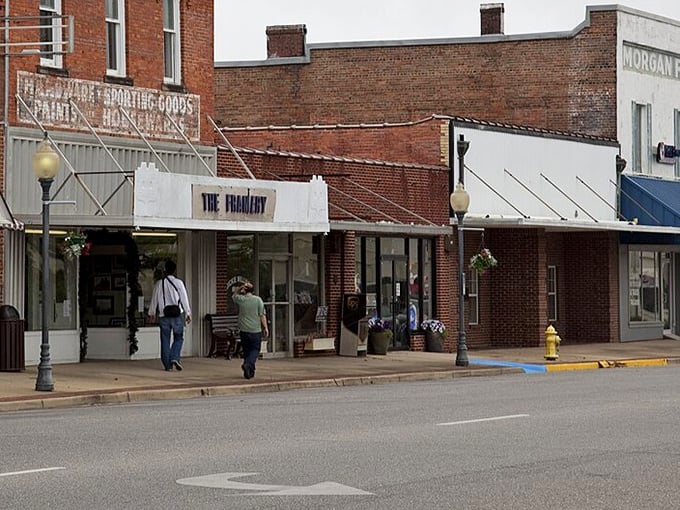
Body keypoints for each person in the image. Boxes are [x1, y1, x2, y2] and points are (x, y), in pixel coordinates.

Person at [148, 260, 191, 371]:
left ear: (165, 270)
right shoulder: (179, 283)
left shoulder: (159, 284)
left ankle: (167, 365)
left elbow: (154, 300)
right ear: (174, 270)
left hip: (164, 315)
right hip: (177, 314)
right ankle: (175, 357)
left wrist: (152, 313)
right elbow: (184, 299)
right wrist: (188, 312)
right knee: (179, 338)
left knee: (165, 339)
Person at [231, 281, 268, 380]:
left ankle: (249, 372)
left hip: (244, 330)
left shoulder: (241, 299)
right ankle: (248, 365)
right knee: (255, 350)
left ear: (244, 290)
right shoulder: (258, 300)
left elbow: (234, 295)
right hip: (255, 330)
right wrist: (265, 327)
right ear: (253, 290)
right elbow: (262, 315)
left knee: (247, 351)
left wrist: (240, 288)